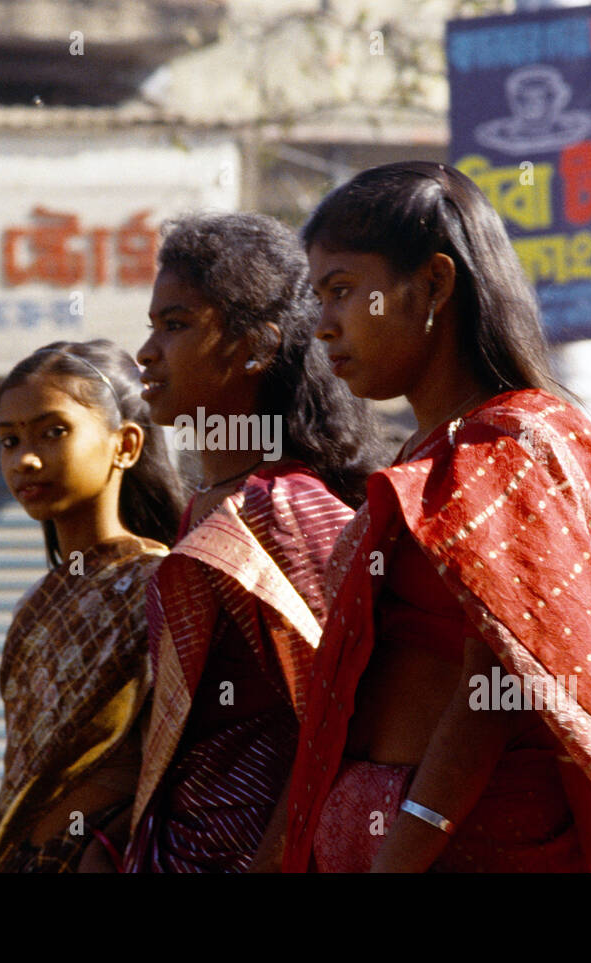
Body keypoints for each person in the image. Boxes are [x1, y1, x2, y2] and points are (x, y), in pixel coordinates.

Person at [277, 161, 591, 872]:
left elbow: (499, 681)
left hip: (463, 842)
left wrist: (407, 844)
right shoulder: (428, 454)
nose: (324, 325)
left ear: (432, 283)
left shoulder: (517, 444)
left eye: (341, 291)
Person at [123, 212, 388, 872]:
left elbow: (342, 722)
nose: (147, 351)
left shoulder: (287, 509)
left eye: (176, 324)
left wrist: (271, 861)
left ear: (256, 346)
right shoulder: (203, 511)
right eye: (154, 324)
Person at [0, 340, 183, 873]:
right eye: (9, 439)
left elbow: (186, 766)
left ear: (126, 445)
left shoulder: (163, 586)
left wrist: (103, 845)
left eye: (54, 431)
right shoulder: (35, 607)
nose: (26, 458)